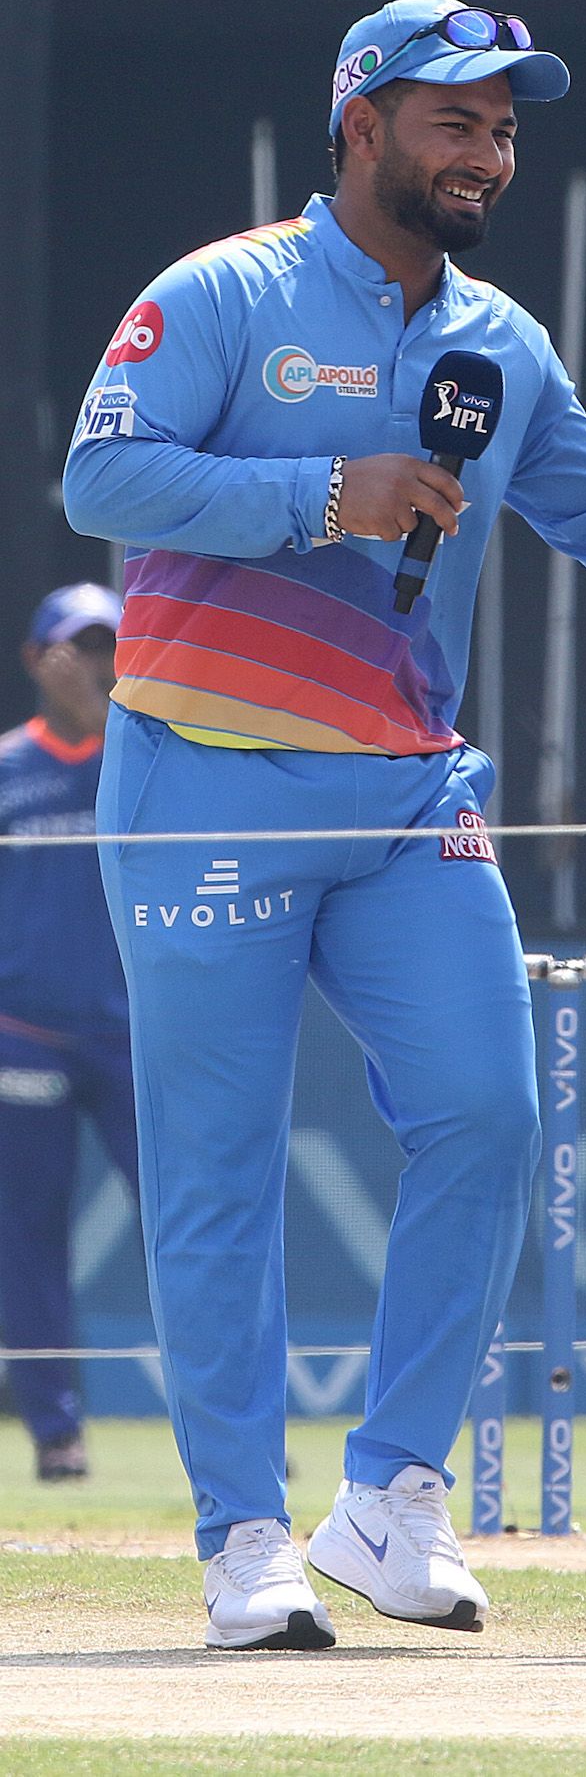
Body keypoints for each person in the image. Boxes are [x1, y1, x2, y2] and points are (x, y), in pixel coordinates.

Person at [64, 0, 586, 1651]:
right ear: (363, 128)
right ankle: (242, 1535)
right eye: (453, 120)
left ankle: (390, 1492)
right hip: (205, 784)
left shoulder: (503, 342)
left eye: (503, 126)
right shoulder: (225, 292)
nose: (485, 151)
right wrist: (311, 494)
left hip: (413, 789)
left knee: (488, 1118)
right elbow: (100, 482)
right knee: (218, 1170)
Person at [0, 584, 136, 1482]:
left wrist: (104, 719)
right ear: (34, 658)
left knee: (189, 1224)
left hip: (137, 1032)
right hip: (25, 1034)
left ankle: (240, 1434)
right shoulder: (8, 767)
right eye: (75, 647)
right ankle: (56, 1433)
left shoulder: (146, 760)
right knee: (27, 1234)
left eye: (106, 647)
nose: (91, 662)